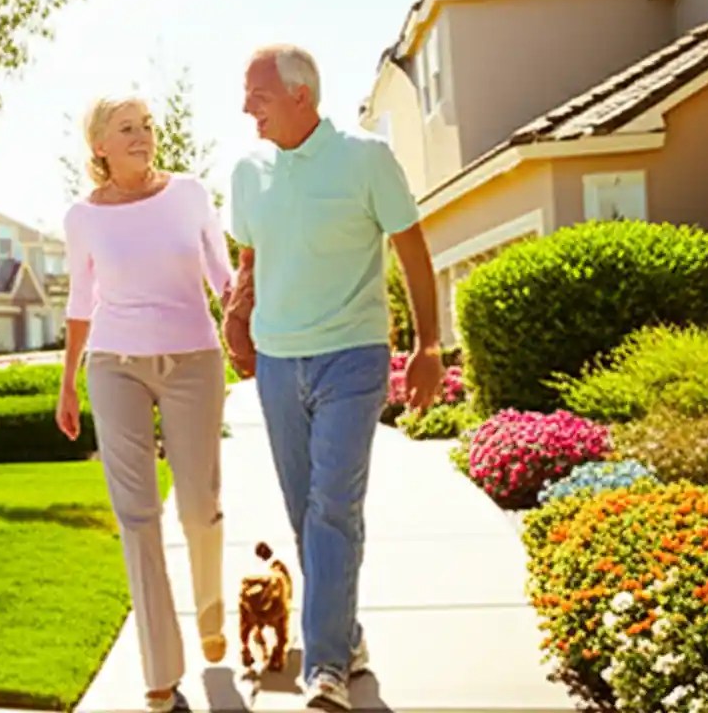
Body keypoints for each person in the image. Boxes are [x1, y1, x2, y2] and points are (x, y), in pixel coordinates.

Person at [222, 44, 444, 711]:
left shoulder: (365, 159)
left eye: (258, 94)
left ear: (301, 95)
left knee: (333, 509)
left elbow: (412, 249)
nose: (246, 108)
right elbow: (251, 259)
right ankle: (346, 637)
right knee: (308, 514)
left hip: (352, 355)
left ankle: (324, 670)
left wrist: (429, 344)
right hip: (278, 362)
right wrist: (237, 316)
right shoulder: (248, 171)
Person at [55, 94, 235, 713]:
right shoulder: (83, 217)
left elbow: (223, 274)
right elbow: (81, 300)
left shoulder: (189, 193)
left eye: (147, 126)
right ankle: (161, 673)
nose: (142, 136)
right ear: (99, 146)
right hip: (115, 364)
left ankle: (210, 611)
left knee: (199, 506)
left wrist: (244, 318)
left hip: (194, 360)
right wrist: (68, 380)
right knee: (136, 517)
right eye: (126, 128)